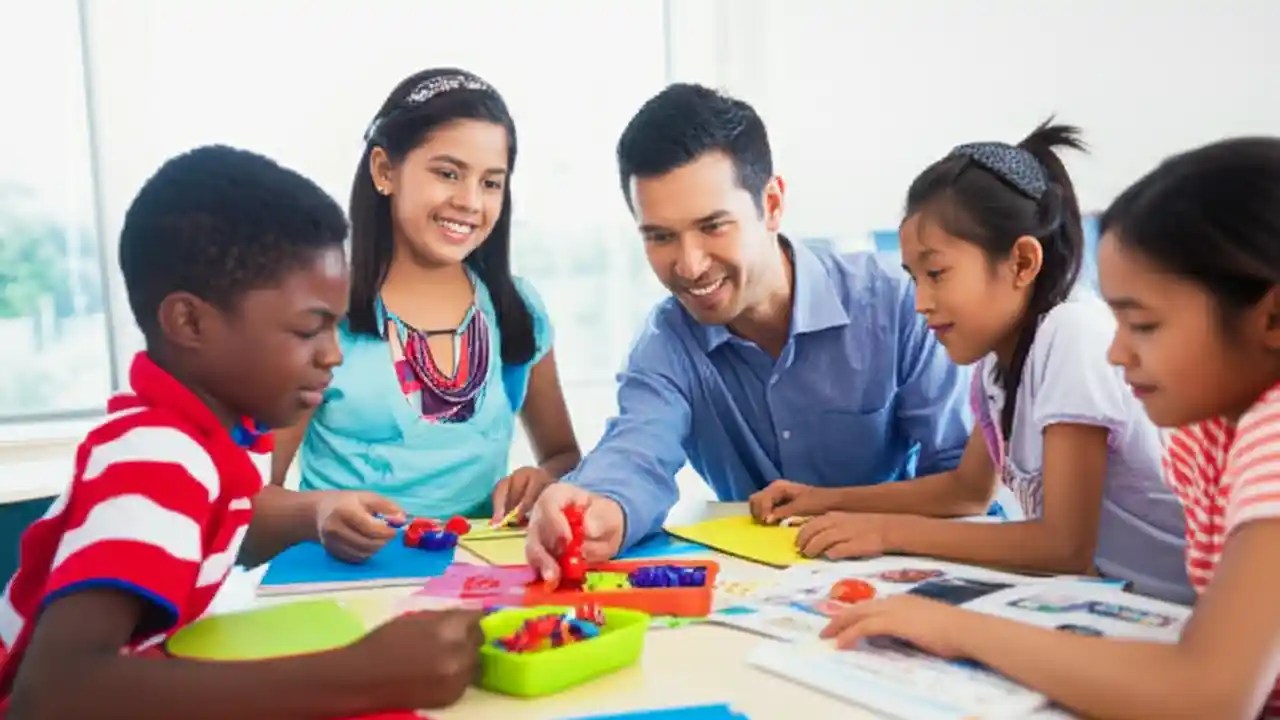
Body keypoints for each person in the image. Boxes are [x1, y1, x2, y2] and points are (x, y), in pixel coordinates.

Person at [0, 146, 482, 717]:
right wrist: (363, 675)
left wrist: (314, 513)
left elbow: (206, 536)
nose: (333, 356)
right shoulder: (158, 455)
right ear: (191, 322)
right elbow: (52, 695)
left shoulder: (203, 442)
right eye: (310, 329)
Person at [822, 136, 1280, 719]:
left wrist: (958, 628)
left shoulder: (1270, 437)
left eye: (1143, 324)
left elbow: (1209, 696)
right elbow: (968, 490)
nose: (1116, 353)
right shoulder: (1210, 432)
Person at [526, 83, 971, 579]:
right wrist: (597, 510)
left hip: (906, 575)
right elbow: (636, 453)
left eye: (714, 226)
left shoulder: (897, 304)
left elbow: (963, 482)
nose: (690, 265)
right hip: (764, 598)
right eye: (660, 236)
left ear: (773, 204)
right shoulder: (665, 344)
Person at [749, 123, 1191, 603]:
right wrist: (824, 499)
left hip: (1178, 615)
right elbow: (965, 491)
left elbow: (1064, 545)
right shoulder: (997, 366)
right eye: (914, 278)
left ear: (1022, 263)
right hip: (1115, 604)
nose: (920, 301)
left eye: (937, 273)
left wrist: (886, 531)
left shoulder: (1070, 335)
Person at [271, 68, 579, 524]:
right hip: (341, 583)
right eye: (448, 173)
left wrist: (543, 480)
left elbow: (564, 456)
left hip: (480, 582)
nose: (470, 201)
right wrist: (319, 513)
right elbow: (253, 496)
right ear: (384, 171)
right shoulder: (319, 317)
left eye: (491, 182)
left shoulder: (518, 310)